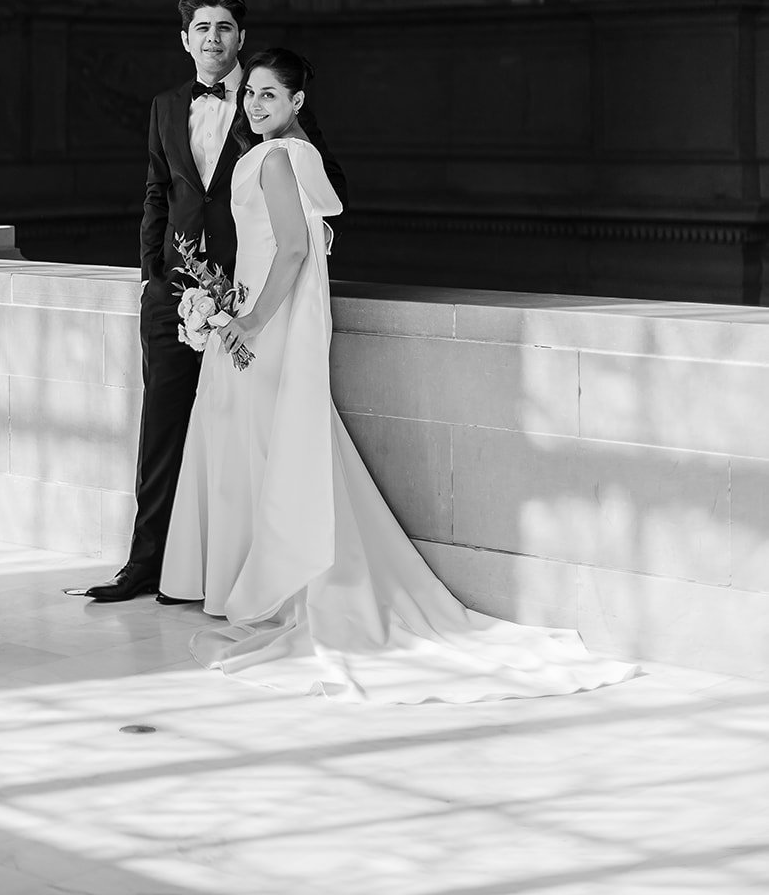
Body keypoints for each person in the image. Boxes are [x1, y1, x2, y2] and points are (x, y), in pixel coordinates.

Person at [159, 48, 636, 703]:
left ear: (298, 102)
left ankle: (274, 584)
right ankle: (271, 580)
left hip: (263, 327)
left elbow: (294, 250)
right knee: (272, 447)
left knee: (266, 448)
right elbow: (294, 247)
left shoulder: (273, 158)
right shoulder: (300, 159)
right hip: (262, 318)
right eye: (251, 95)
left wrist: (248, 321)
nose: (255, 105)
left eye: (270, 95)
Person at [85, 0, 346, 603]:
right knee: (167, 429)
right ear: (185, 39)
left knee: (238, 435)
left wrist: (253, 294)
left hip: (246, 299)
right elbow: (158, 192)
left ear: (240, 38)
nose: (212, 38)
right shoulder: (166, 105)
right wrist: (153, 275)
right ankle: (149, 566)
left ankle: (230, 570)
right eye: (201, 27)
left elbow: (324, 187)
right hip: (175, 296)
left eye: (225, 27)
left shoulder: (270, 110)